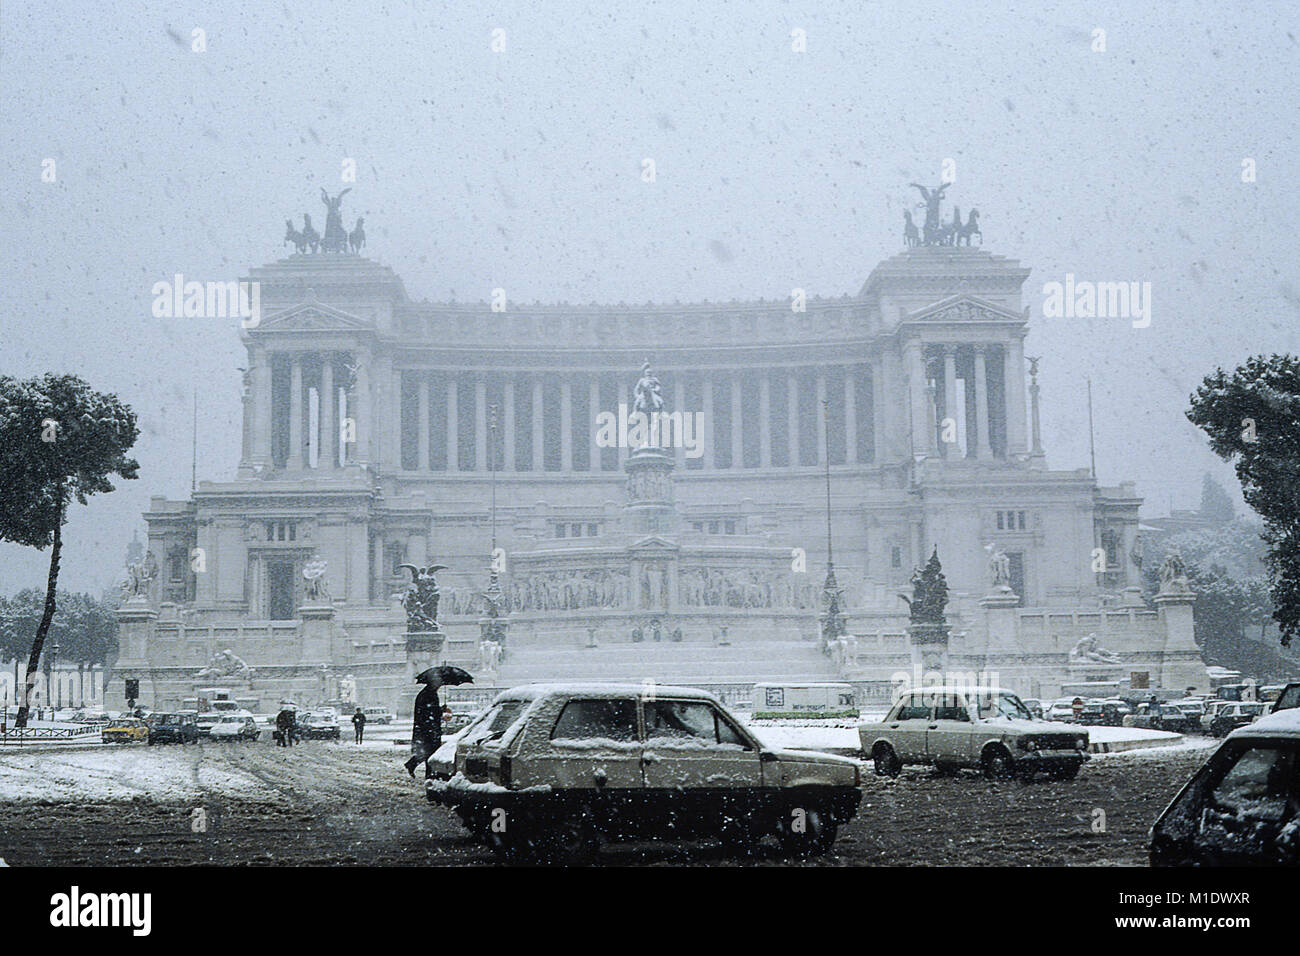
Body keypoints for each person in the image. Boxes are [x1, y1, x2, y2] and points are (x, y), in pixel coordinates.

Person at [404, 670, 443, 779]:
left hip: (427, 728)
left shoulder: (426, 693)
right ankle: (429, 775)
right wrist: (439, 711)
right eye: (438, 682)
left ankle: (414, 764)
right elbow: (429, 712)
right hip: (428, 729)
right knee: (431, 753)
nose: (440, 684)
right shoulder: (429, 694)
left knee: (428, 752)